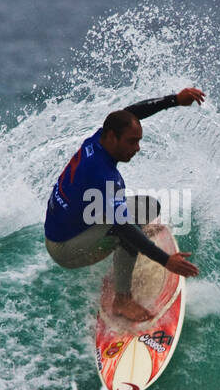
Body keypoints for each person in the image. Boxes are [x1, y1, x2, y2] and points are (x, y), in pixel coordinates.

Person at [44, 88, 204, 322]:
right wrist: (166, 260)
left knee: (148, 207)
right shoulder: (102, 175)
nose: (137, 148)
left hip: (74, 223)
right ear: (112, 137)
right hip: (65, 247)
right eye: (131, 142)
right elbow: (123, 226)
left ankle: (123, 256)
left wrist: (175, 100)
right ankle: (122, 300)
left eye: (138, 140)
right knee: (127, 232)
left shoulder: (98, 139)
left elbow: (131, 114)